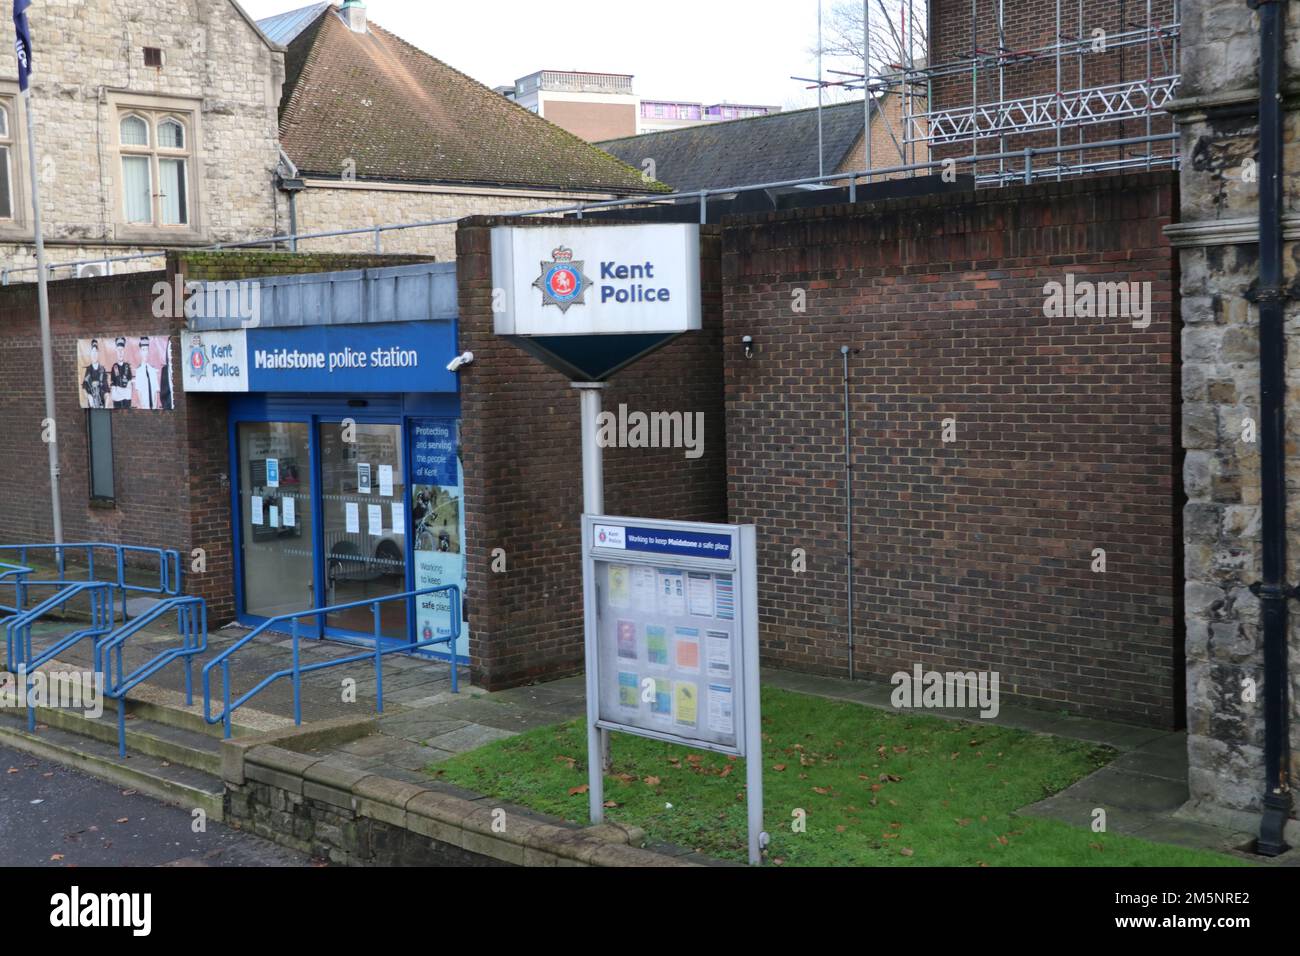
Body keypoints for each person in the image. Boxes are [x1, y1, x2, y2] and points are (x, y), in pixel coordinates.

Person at [133, 336, 162, 410]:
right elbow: (138, 391)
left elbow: (156, 391)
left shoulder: (152, 370)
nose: (145, 352)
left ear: (148, 351)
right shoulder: (138, 371)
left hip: (154, 406)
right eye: (143, 350)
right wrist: (143, 406)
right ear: (140, 352)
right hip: (144, 406)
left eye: (146, 350)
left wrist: (155, 406)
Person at [81, 339, 108, 408]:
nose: (94, 355)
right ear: (90, 354)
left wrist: (106, 398)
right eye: (93, 352)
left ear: (98, 354)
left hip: (101, 403)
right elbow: (84, 388)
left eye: (96, 352)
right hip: (92, 404)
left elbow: (106, 389)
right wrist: (89, 396)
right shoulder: (88, 369)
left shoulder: (102, 369)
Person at [109, 337, 133, 409]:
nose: (120, 352)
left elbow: (129, 384)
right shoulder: (114, 367)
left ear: (124, 351)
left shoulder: (127, 366)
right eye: (118, 350)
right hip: (117, 400)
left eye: (122, 350)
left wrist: (120, 390)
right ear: (116, 351)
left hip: (126, 400)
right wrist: (121, 391)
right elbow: (113, 386)